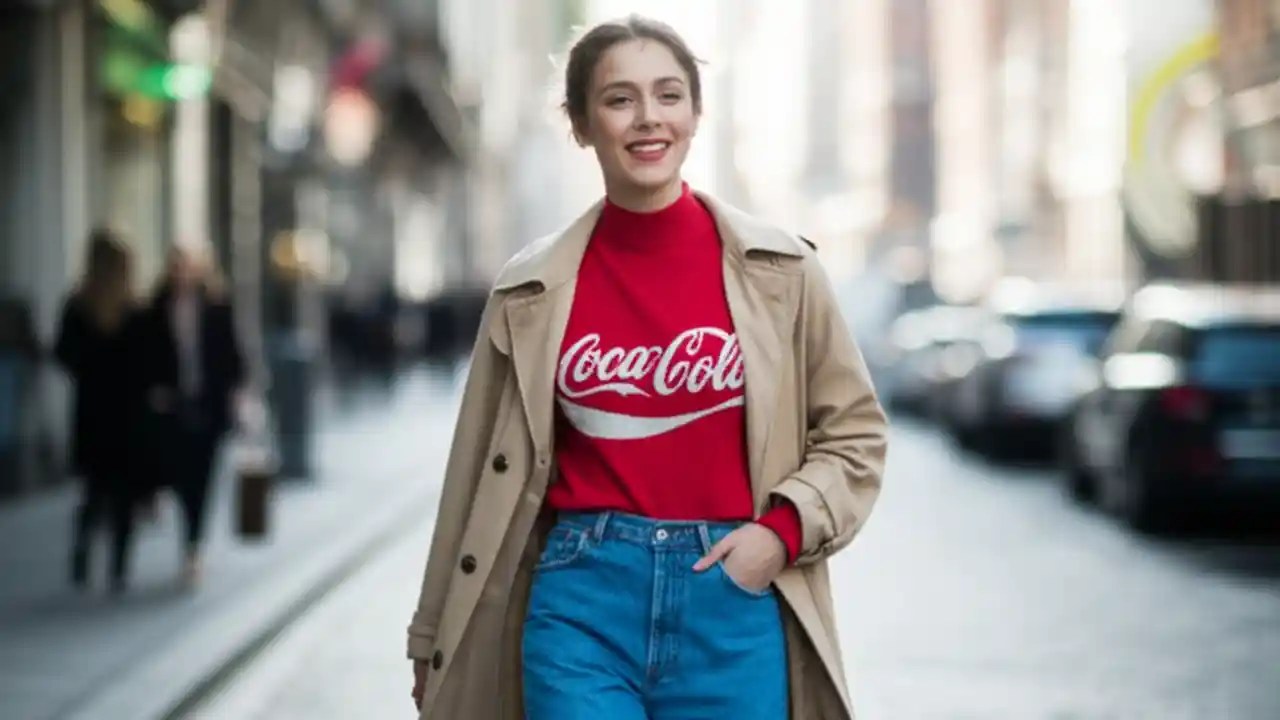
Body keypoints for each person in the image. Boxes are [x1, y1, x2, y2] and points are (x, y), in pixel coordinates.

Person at [406, 15, 888, 720]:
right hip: (581, 602)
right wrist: (432, 632)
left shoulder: (783, 272)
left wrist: (777, 535)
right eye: (619, 98)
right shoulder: (528, 290)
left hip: (734, 599)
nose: (647, 119)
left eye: (668, 95)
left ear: (695, 113)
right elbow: (474, 473)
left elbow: (856, 436)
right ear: (580, 123)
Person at [134, 244, 244, 589]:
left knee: (202, 479)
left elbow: (233, 357)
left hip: (208, 407)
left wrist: (239, 398)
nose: (181, 272)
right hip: (171, 409)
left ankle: (193, 547)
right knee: (180, 475)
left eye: (187, 265)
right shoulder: (154, 308)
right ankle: (174, 515)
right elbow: (143, 358)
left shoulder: (217, 307)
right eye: (175, 265)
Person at [55, 230, 142, 594]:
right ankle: (118, 567)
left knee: (96, 491)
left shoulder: (80, 305)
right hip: (122, 413)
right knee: (121, 493)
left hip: (94, 410)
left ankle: (85, 553)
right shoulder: (130, 308)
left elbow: (63, 354)